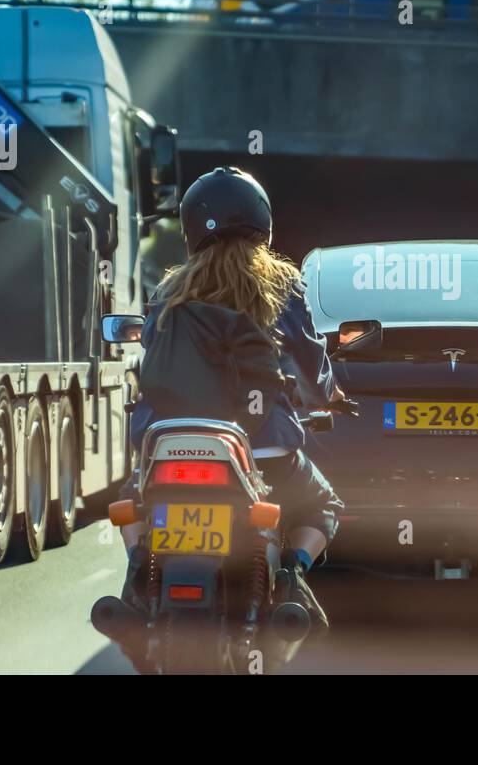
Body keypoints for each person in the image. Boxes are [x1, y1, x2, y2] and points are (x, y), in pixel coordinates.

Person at [118, 166, 344, 634]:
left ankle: (139, 565)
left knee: (132, 500)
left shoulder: (168, 292)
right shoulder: (282, 285)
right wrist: (330, 394)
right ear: (262, 222)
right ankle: (293, 576)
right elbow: (308, 359)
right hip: (260, 452)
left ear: (190, 228)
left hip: (167, 447)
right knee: (323, 504)